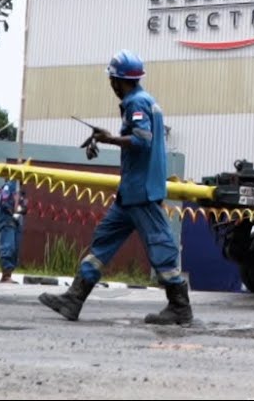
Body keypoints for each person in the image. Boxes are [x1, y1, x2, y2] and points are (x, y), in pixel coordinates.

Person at [38, 49, 193, 325]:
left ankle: (180, 306)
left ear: (118, 80)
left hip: (142, 191)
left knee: (160, 245)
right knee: (103, 240)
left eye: (112, 80)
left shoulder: (137, 103)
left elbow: (142, 140)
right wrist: (108, 137)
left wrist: (109, 139)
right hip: (130, 192)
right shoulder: (143, 101)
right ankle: (74, 299)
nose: (111, 85)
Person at [0, 178, 26, 283]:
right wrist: (12, 211)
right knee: (8, 247)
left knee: (15, 249)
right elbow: (3, 202)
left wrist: (21, 210)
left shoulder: (20, 190)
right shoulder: (8, 186)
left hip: (17, 223)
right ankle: (6, 274)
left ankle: (9, 274)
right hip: (8, 222)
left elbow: (23, 206)